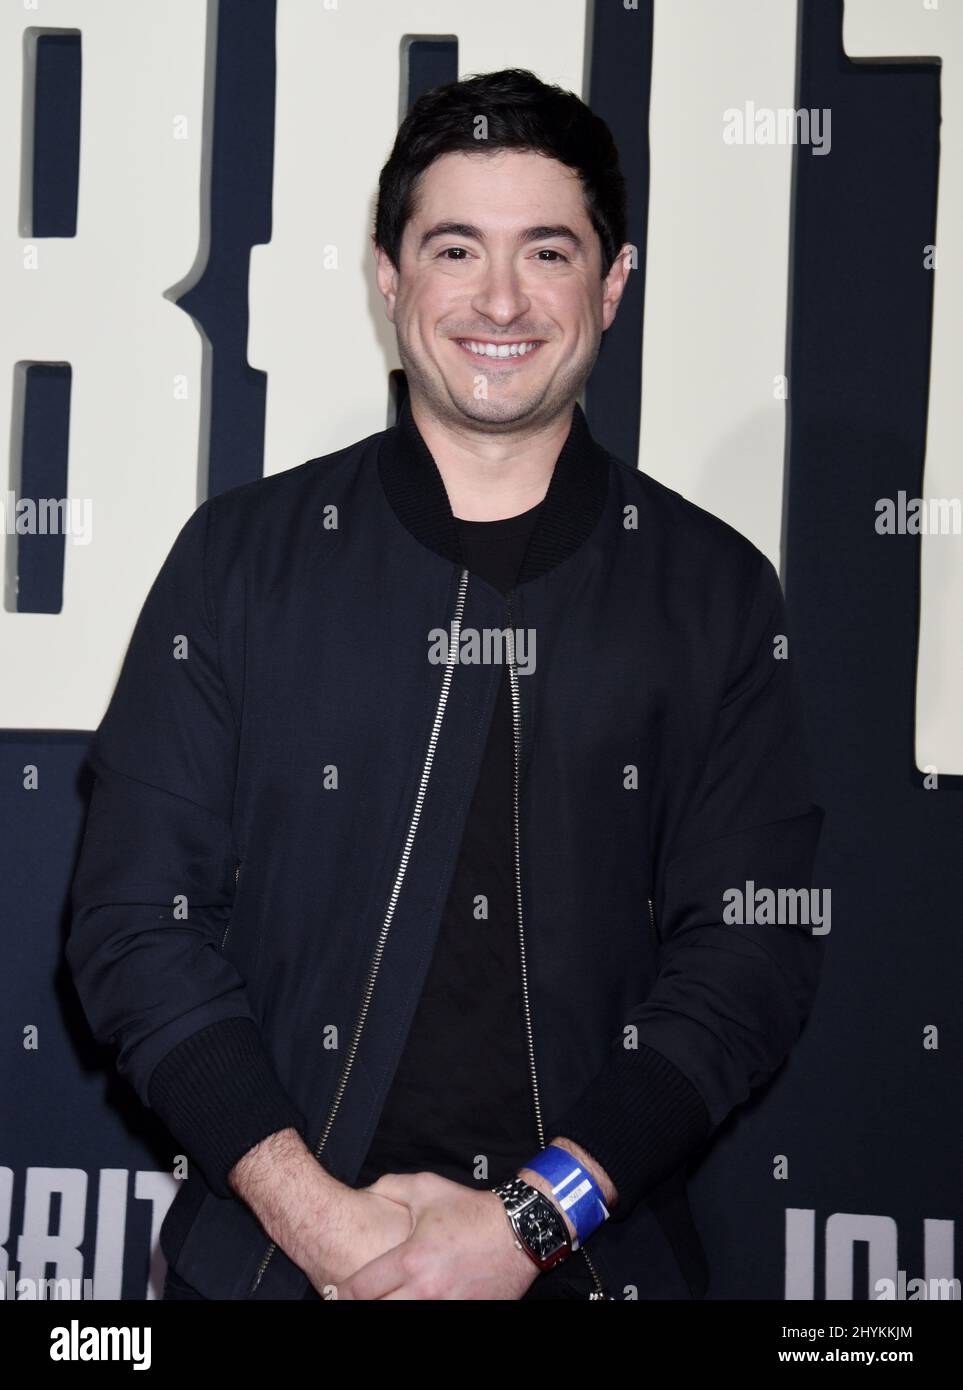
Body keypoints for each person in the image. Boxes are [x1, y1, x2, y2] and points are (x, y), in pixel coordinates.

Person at [67, 68, 825, 1302]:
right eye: (456, 246)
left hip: (595, 1272)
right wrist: (324, 1228)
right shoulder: (241, 561)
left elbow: (750, 960)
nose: (501, 300)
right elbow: (134, 922)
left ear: (613, 283)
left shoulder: (715, 593)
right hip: (268, 1271)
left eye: (550, 252)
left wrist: (524, 1226)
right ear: (389, 276)